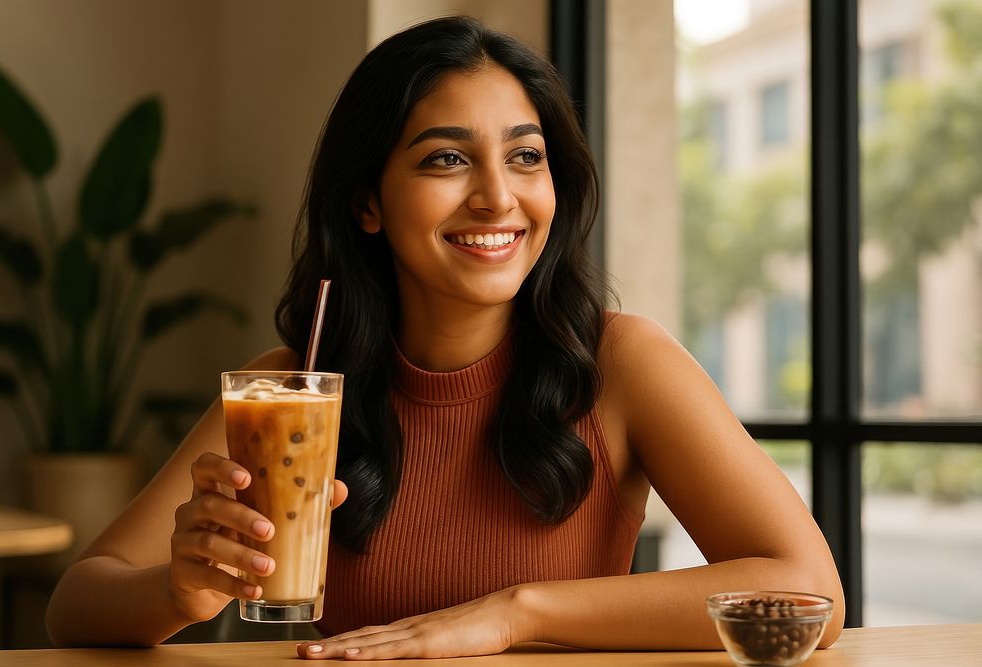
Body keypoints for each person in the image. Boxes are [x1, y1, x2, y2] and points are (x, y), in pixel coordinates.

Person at [46, 16, 844, 659]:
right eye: (447, 159)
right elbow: (78, 599)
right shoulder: (291, 388)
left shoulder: (622, 363)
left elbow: (810, 591)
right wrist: (177, 592)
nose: (498, 197)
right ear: (368, 203)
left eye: (526, 157)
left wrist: (513, 614)